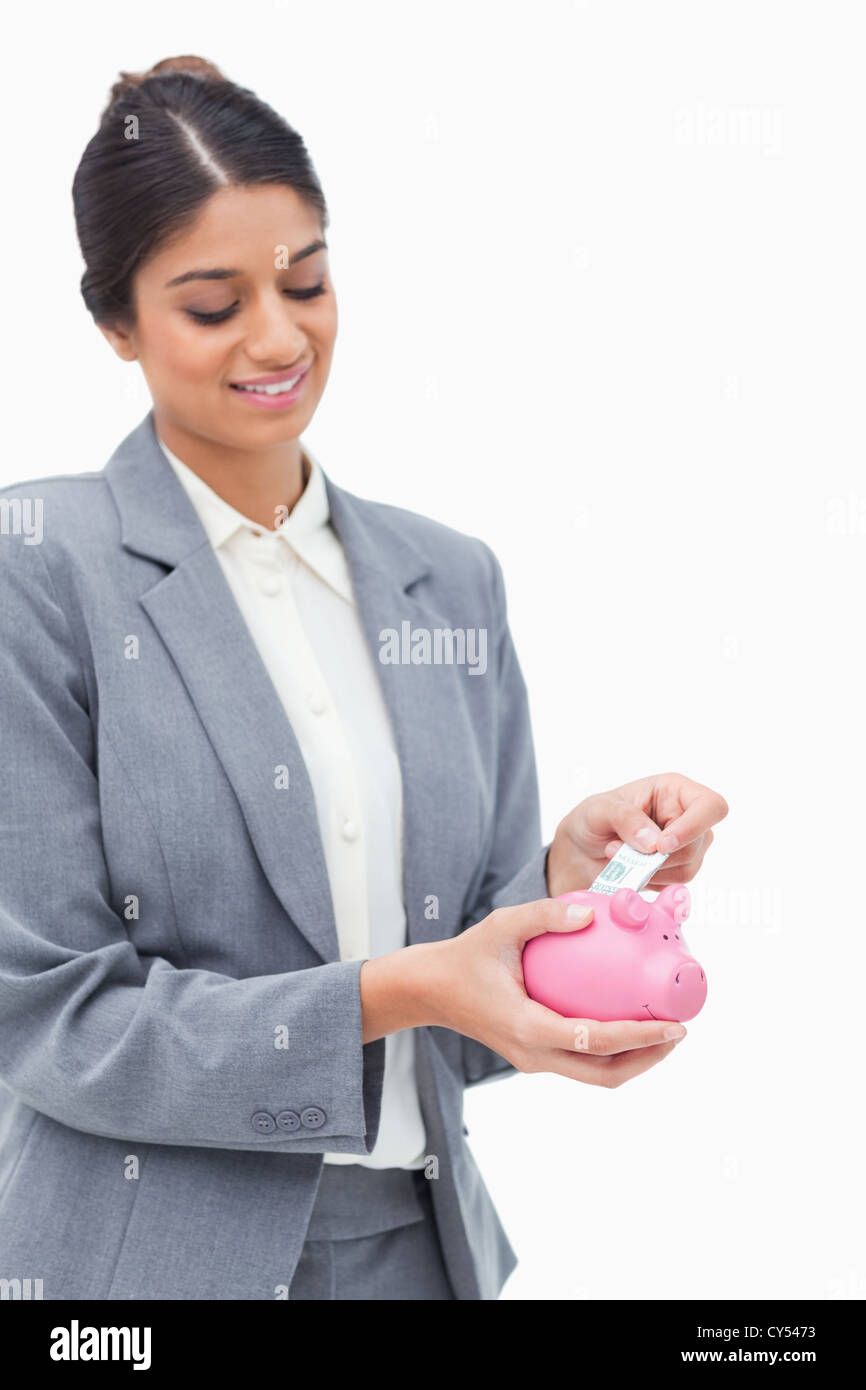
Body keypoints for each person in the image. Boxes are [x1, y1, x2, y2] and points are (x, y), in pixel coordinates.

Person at [0, 56, 728, 1301]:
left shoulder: (448, 580)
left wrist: (563, 891)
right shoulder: (40, 571)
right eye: (212, 304)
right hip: (144, 1278)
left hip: (420, 1258)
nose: (280, 337)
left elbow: (469, 1028)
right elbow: (55, 1021)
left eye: (306, 280)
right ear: (115, 325)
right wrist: (400, 987)